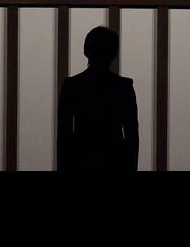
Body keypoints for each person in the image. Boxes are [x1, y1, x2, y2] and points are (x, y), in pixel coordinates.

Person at [57, 27, 138, 172]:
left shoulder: (72, 86)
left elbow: (64, 136)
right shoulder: (124, 88)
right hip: (115, 161)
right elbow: (132, 136)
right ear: (113, 54)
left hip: (81, 160)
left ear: (86, 51)